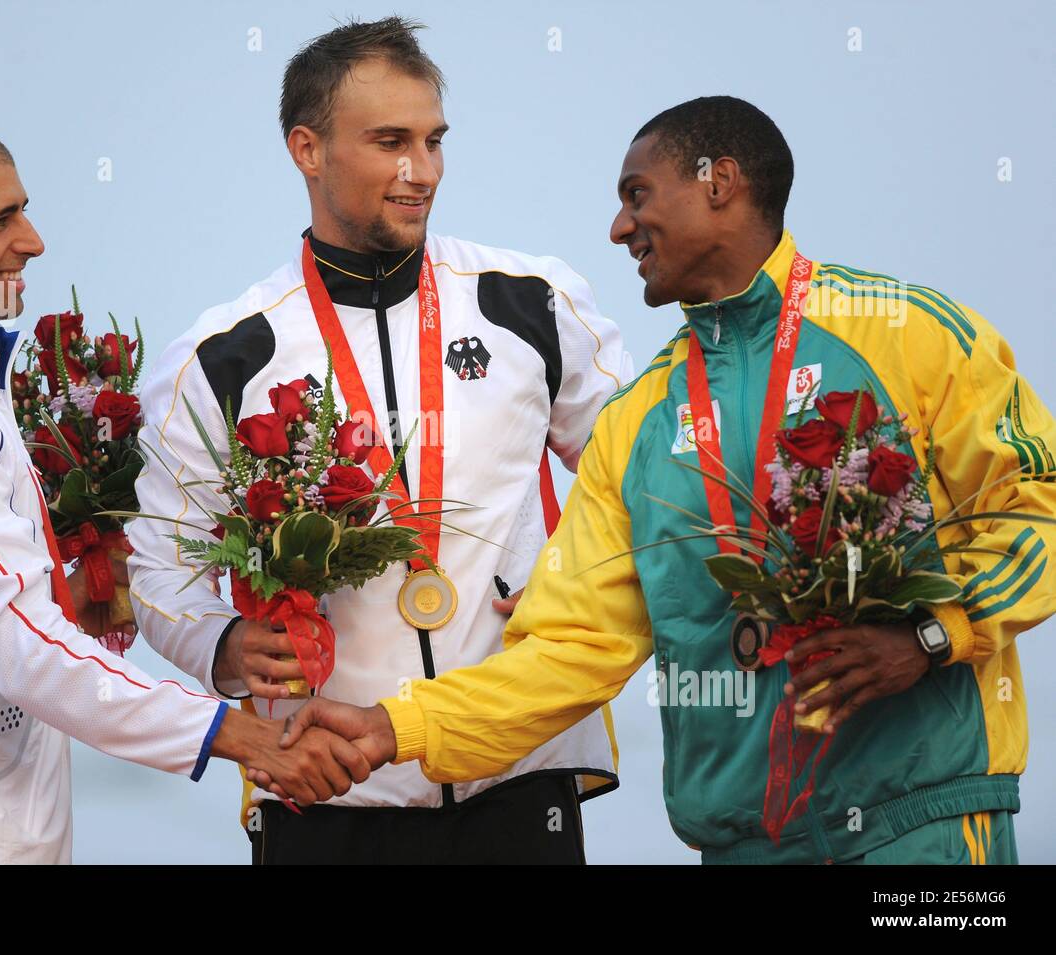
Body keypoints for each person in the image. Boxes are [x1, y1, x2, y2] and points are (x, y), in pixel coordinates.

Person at [278, 96, 1056, 865]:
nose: (619, 227)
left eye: (637, 194)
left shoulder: (907, 331)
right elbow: (571, 649)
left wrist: (930, 635)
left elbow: (1038, 507)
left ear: (720, 182)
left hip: (922, 825)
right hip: (741, 846)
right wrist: (396, 727)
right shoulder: (636, 421)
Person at [0, 118, 368, 864]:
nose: (33, 240)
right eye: (1, 220)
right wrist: (238, 734)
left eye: (23, 209)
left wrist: (77, 595)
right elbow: (18, 642)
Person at [127, 17, 631, 864]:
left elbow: (639, 482)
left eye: (434, 141)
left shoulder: (532, 300)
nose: (421, 170)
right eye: (390, 141)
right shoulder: (226, 352)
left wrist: (570, 571)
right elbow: (158, 567)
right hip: (323, 785)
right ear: (306, 149)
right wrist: (222, 645)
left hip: (518, 777)